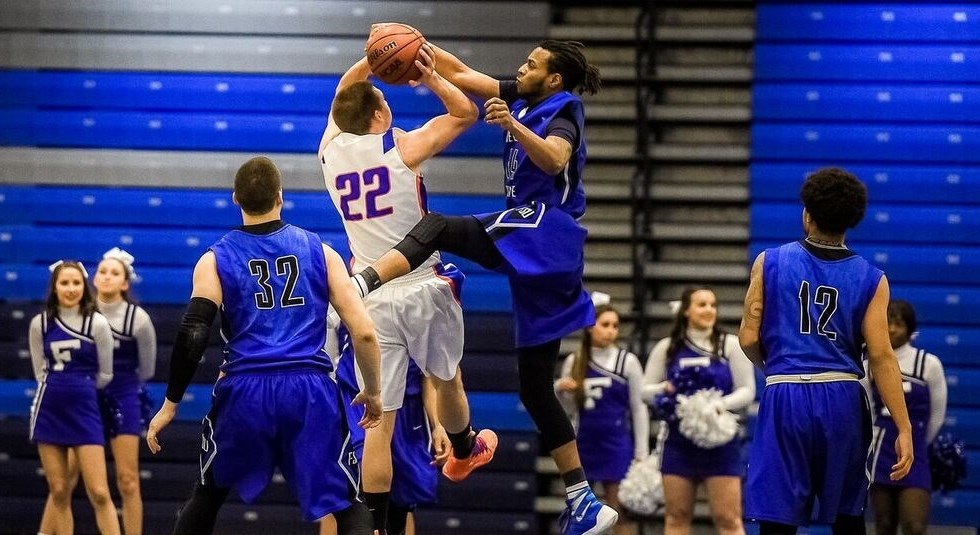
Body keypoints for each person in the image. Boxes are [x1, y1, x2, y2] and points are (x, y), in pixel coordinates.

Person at [349, 36, 618, 534]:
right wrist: (423, 55)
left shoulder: (564, 107)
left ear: (553, 78)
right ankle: (583, 499)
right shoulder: (525, 91)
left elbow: (556, 160)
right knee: (535, 386)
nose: (522, 67)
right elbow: (462, 71)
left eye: (532, 63)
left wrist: (513, 124)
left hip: (542, 228)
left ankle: (361, 281)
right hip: (542, 250)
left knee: (435, 228)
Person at [145, 156, 383, 535]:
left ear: (235, 198)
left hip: (245, 389)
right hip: (309, 389)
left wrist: (171, 403)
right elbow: (365, 332)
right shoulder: (321, 252)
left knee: (207, 497)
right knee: (348, 505)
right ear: (280, 197)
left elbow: (194, 331)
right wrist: (372, 391)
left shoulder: (214, 259)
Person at [318, 40, 495, 533]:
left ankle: (372, 527)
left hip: (368, 292)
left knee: (381, 420)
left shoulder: (329, 151)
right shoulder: (402, 145)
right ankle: (464, 451)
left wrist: (370, 61)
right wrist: (429, 74)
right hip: (419, 280)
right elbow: (465, 113)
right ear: (381, 109)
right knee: (447, 378)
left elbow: (342, 92)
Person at [739, 167, 914, 534]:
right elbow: (882, 357)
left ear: (807, 214)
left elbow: (749, 337)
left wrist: (773, 369)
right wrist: (903, 426)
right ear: (852, 220)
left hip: (785, 390)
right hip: (841, 396)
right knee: (847, 515)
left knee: (777, 516)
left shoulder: (768, 261)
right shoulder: (872, 278)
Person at [38, 248, 158, 535]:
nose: (106, 277)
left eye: (114, 273)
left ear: (125, 283)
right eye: (102, 271)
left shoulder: (136, 318)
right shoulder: (77, 314)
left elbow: (148, 368)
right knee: (64, 477)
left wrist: (119, 388)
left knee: (127, 479)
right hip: (85, 398)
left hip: (123, 395)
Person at [641, 286, 754, 535]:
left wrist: (718, 405)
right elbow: (643, 391)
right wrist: (664, 388)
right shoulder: (667, 347)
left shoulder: (730, 345)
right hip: (679, 444)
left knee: (729, 519)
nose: (709, 310)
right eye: (702, 305)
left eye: (713, 305)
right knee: (676, 517)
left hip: (721, 443)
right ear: (685, 311)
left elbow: (747, 390)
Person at [321, 322, 448, 535]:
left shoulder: (427, 295)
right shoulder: (349, 293)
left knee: (401, 503)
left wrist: (439, 425)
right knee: (345, 495)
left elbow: (434, 372)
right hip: (355, 399)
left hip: (407, 409)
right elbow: (328, 357)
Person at [29, 260, 122, 535]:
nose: (71, 289)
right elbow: (39, 371)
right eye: (64, 283)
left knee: (100, 491)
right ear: (54, 287)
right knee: (58, 491)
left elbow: (106, 374)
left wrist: (79, 389)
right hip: (49, 408)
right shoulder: (40, 323)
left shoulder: (97, 323)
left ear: (84, 286)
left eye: (76, 283)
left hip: (85, 409)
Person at [554, 294, 648, 535]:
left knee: (620, 510)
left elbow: (639, 407)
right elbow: (568, 412)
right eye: (604, 324)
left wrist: (641, 453)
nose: (610, 331)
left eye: (615, 326)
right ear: (589, 327)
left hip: (616, 445)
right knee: (581, 511)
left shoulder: (627, 362)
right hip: (584, 442)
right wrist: (561, 391)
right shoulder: (575, 361)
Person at [865, 300, 947, 535]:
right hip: (882, 449)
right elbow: (869, 408)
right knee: (883, 524)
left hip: (915, 450)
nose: (891, 329)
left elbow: (937, 416)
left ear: (910, 328)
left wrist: (916, 440)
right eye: (888, 322)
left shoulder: (928, 364)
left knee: (914, 525)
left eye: (898, 324)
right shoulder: (871, 362)